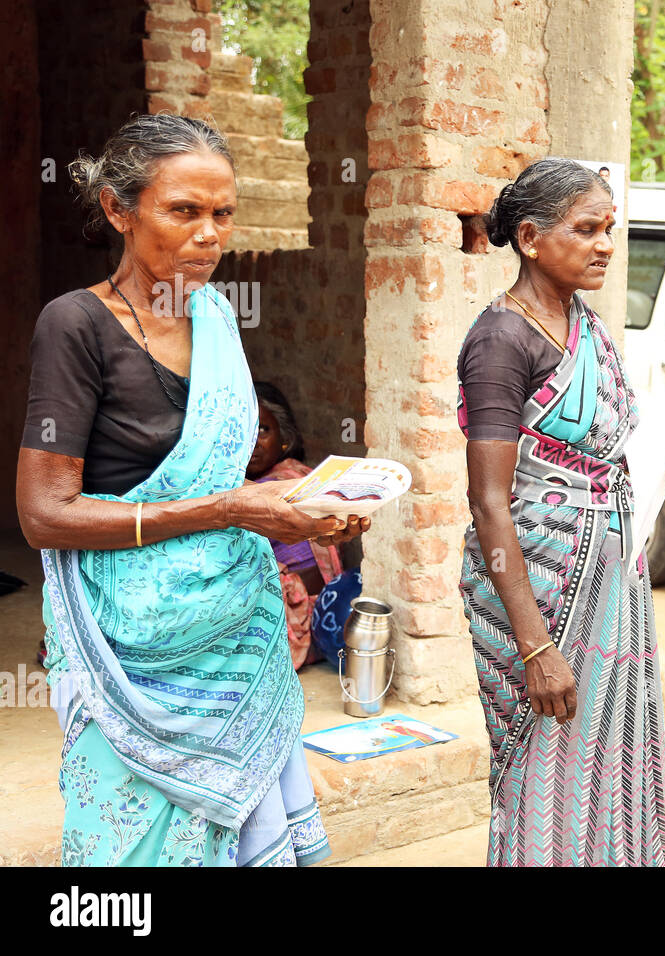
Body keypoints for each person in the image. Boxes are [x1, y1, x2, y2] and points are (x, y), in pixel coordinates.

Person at [17, 114, 367, 867]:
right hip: (134, 663)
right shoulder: (74, 326)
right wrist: (231, 510)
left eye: (223, 214)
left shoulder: (213, 315)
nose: (209, 235)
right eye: (184, 211)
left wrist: (294, 514)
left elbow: (219, 474)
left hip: (236, 640)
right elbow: (46, 515)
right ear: (119, 209)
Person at [456, 158, 665, 866]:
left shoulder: (581, 323)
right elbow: (488, 499)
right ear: (531, 238)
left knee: (605, 763)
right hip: (539, 587)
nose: (605, 244)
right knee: (545, 767)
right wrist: (536, 647)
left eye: (610, 229)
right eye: (588, 229)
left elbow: (608, 427)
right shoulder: (501, 340)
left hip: (609, 577)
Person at [246, 381, 345, 670]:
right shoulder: (302, 474)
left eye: (263, 429)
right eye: (245, 428)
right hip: (325, 622)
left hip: (299, 622)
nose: (253, 441)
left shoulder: (278, 487)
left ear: (285, 438)